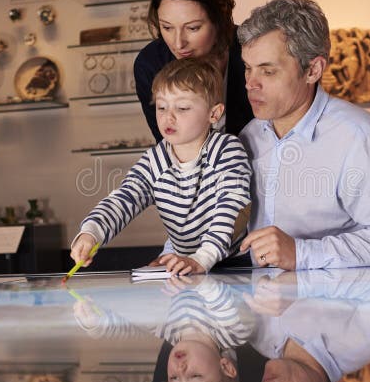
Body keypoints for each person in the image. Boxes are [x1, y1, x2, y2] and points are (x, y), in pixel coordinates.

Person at [237, 0, 370, 270]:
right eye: (248, 68)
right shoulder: (247, 138)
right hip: (258, 307)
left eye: (268, 71)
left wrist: (302, 253)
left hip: (339, 308)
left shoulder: (360, 136)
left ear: (313, 70)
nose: (251, 84)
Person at [70, 57, 252, 275]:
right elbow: (124, 198)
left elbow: (232, 206)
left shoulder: (226, 149)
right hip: (184, 264)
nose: (169, 117)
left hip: (233, 264)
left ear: (213, 114)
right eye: (162, 106)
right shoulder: (154, 160)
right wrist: (91, 232)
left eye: (183, 107)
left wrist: (203, 258)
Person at [135, 0, 253, 142]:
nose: (178, 43)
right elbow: (168, 144)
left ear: (219, 16)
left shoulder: (251, 51)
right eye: (167, 27)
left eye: (193, 28)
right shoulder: (150, 64)